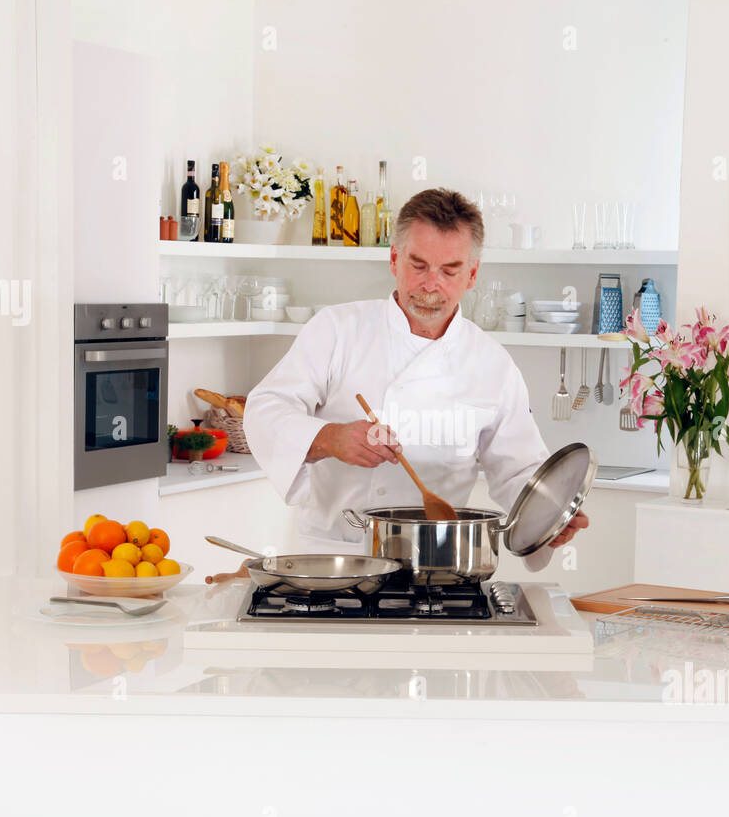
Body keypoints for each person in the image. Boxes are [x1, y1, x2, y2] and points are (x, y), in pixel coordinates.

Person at [244, 187, 588, 558]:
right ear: (394, 260)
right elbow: (265, 409)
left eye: (449, 270)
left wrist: (549, 517)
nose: (430, 285)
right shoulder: (337, 329)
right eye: (418, 265)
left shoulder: (493, 364)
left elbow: (518, 470)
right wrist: (329, 438)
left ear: (472, 275)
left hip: (439, 561)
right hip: (334, 558)